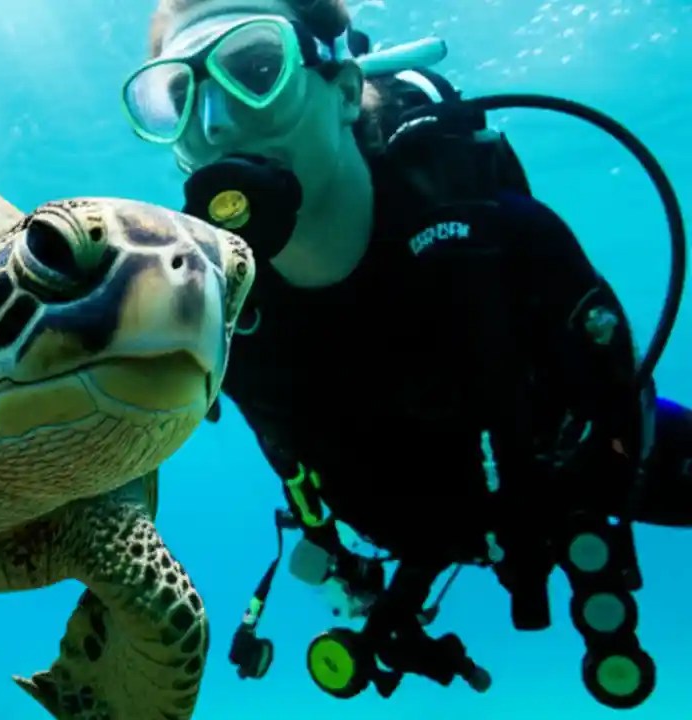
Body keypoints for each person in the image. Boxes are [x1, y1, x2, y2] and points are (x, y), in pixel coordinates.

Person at [121, 0, 691, 710]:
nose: (216, 123)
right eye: (180, 96)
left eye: (257, 69)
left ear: (341, 87)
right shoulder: (210, 312)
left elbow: (617, 396)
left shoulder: (493, 238)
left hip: (577, 487)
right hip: (394, 542)